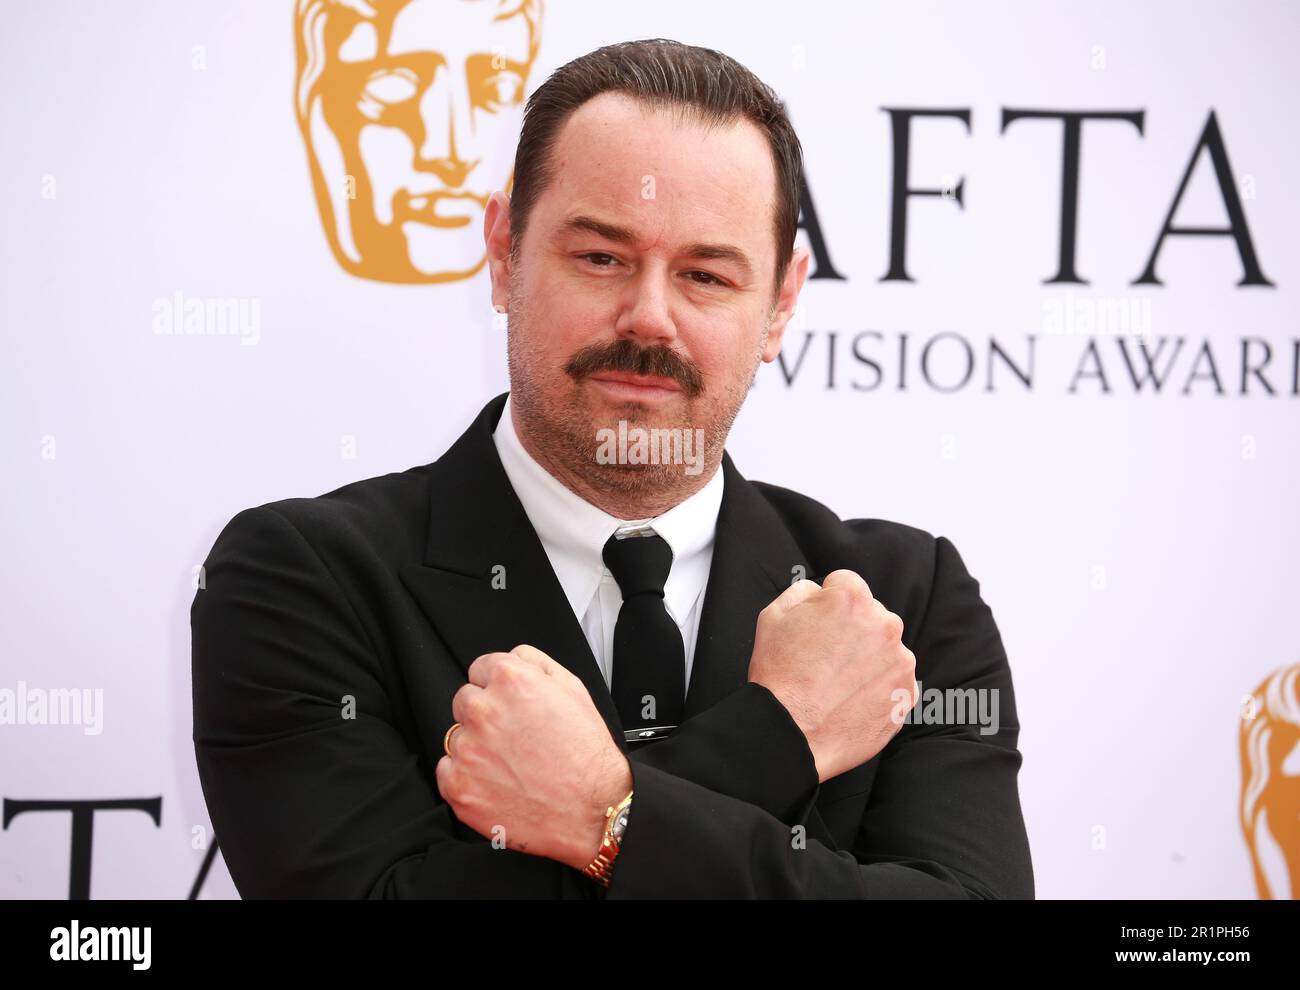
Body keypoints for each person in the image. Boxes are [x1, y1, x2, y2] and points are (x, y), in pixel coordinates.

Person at [191, 38, 1034, 898]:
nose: (649, 318)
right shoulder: (302, 579)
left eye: (706, 275)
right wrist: (777, 737)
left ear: (781, 305)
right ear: (504, 253)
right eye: (601, 258)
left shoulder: (904, 603)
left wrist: (602, 814)